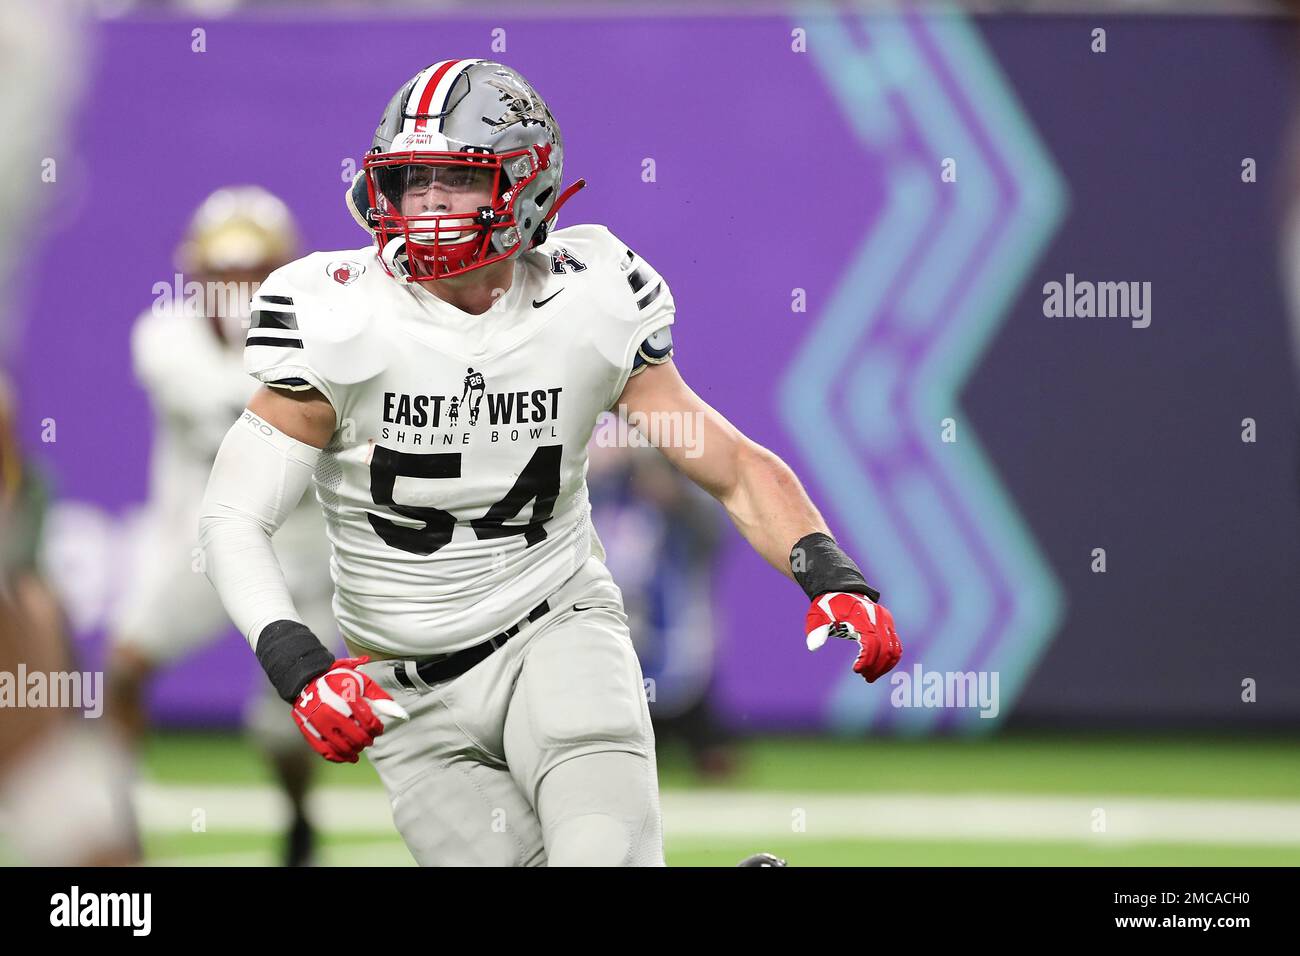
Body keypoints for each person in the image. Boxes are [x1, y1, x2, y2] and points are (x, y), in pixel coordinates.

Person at [198, 58, 901, 867]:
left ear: (525, 184)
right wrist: (297, 663)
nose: (427, 202)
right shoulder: (337, 314)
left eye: (454, 180)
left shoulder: (589, 298)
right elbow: (230, 518)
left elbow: (731, 466)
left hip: (556, 635)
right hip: (405, 693)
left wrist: (829, 572)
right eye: (410, 179)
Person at [106, 187, 336, 865]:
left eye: (253, 274)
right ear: (195, 273)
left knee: (290, 729)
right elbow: (244, 404)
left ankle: (298, 816)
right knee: (123, 670)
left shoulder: (323, 334)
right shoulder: (164, 339)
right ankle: (119, 841)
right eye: (225, 274)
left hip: (297, 549)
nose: (238, 289)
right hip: (201, 542)